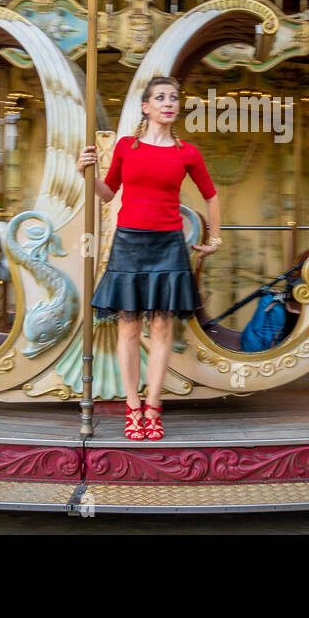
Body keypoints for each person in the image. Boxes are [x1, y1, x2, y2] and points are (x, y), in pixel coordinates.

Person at [78, 76, 222, 441]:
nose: (168, 102)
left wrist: (215, 238)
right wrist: (85, 173)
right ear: (146, 107)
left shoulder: (186, 152)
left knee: (161, 328)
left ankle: (154, 406)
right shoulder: (127, 147)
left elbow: (210, 194)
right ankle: (132, 406)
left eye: (174, 97)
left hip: (168, 245)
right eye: (160, 97)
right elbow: (108, 193)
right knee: (128, 327)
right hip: (129, 242)